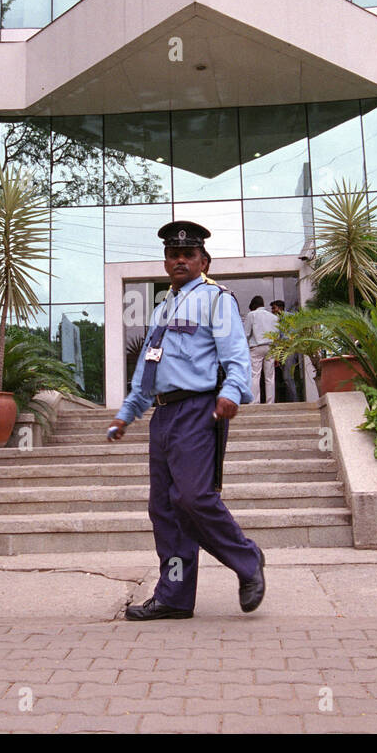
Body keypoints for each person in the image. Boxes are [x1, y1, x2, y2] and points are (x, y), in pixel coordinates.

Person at [110, 221, 265, 620]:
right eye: (173, 255)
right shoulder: (163, 306)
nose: (179, 260)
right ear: (166, 262)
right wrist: (127, 413)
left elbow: (236, 355)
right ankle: (174, 597)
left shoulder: (217, 299)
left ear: (203, 260)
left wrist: (232, 392)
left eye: (188, 254)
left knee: (192, 497)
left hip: (199, 409)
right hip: (162, 415)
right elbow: (148, 367)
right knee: (164, 508)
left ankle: (247, 560)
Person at [243, 295, 279, 404]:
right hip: (271, 347)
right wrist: (277, 353)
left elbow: (246, 334)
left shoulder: (251, 315)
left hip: (256, 347)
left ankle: (255, 402)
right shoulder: (274, 317)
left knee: (255, 375)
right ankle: (270, 402)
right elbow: (277, 336)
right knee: (270, 376)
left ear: (253, 306)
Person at [270, 300, 299, 402]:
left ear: (280, 308)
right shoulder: (280, 319)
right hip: (285, 349)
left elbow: (287, 336)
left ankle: (294, 402)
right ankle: (291, 401)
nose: (272, 311)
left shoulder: (288, 317)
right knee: (286, 377)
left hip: (289, 348)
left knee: (288, 377)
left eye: (274, 308)